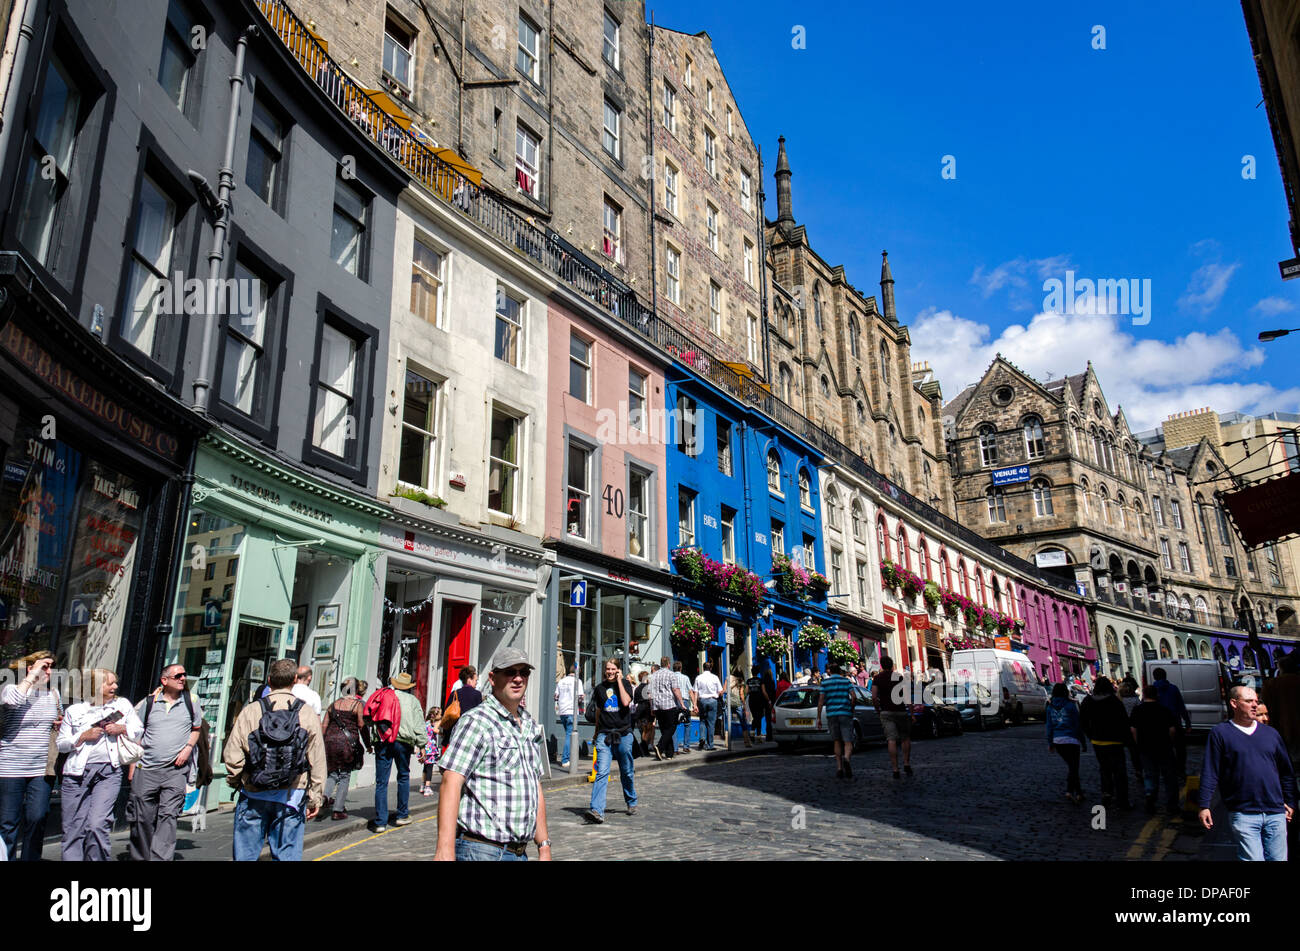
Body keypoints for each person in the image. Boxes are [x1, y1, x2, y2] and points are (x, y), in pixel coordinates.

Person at [434, 648, 551, 861]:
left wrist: (543, 846)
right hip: (483, 850)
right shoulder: (477, 721)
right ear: (492, 678)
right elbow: (451, 782)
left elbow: (535, 787)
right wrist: (444, 850)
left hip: (519, 853)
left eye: (523, 672)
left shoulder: (529, 725)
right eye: (509, 672)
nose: (517, 679)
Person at [223, 659, 326, 861]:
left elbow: (233, 755)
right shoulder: (306, 713)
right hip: (292, 794)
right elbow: (317, 758)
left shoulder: (251, 710)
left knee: (245, 855)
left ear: (269, 680)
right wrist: (315, 796)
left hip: (254, 792)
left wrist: (236, 781)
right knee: (287, 854)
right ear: (295, 680)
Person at [1198, 685, 1296, 861]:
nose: (1254, 705)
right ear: (1234, 703)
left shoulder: (1271, 734)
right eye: (1249, 701)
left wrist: (1290, 801)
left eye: (1256, 701)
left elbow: (1286, 772)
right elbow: (1210, 771)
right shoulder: (1220, 733)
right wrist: (1204, 805)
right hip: (1243, 812)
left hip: (1275, 811)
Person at [57, 668, 142, 861]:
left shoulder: (122, 705)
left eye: (115, 682)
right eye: (110, 683)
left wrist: (122, 728)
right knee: (73, 827)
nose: (115, 686)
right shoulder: (75, 710)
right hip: (76, 774)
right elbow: (61, 745)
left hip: (108, 772)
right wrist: (82, 736)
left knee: (97, 824)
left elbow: (138, 731)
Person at [129, 663, 202, 861]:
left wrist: (187, 748)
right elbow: (136, 733)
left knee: (168, 816)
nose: (182, 678)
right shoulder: (149, 702)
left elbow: (196, 729)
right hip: (146, 768)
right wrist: (132, 766)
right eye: (178, 675)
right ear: (164, 680)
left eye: (184, 675)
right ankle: (141, 857)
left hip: (175, 770)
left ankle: (160, 858)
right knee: (141, 818)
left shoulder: (191, 700)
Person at [0, 652, 62, 861]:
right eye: (45, 666)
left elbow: (58, 722)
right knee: (8, 822)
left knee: (38, 817)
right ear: (30, 667)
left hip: (41, 768)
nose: (49, 671)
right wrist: (32, 675)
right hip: (10, 766)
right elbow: (12, 701)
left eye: (51, 667)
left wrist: (59, 725)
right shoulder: (11, 688)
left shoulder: (53, 694)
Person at [364, 672, 424, 833]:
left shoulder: (384, 695)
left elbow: (371, 716)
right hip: (403, 742)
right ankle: (402, 815)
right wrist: (422, 744)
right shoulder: (412, 701)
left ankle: (380, 822)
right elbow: (419, 725)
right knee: (403, 776)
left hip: (383, 740)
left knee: (381, 782)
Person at [584, 658, 638, 823]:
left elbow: (625, 702)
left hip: (624, 734)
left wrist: (621, 681)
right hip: (605, 734)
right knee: (602, 772)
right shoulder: (600, 688)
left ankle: (631, 801)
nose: (610, 671)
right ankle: (597, 810)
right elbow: (599, 712)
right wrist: (595, 733)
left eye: (613, 669)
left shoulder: (626, 684)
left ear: (618, 670)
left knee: (627, 771)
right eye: (608, 668)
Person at [1080, 676, 1131, 809]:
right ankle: (1122, 801)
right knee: (1119, 771)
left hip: (1098, 741)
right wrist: (1127, 740)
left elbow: (1083, 722)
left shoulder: (1088, 701)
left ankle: (1107, 793)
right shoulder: (1114, 701)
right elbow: (1124, 722)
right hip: (1115, 741)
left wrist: (1090, 735)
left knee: (1105, 769)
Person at [1130, 684, 1181, 815]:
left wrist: (1138, 743)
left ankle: (1150, 800)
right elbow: (1172, 730)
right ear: (1156, 695)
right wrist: (1170, 742)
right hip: (1164, 746)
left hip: (1145, 747)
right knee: (1169, 777)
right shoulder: (1164, 710)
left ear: (1145, 695)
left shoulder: (1137, 710)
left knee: (1149, 775)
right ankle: (1172, 805)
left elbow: (1133, 729)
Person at [321, 677, 367, 820]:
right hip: (347, 743)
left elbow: (324, 725)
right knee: (345, 775)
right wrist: (368, 743)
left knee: (332, 774)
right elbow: (361, 725)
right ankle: (338, 809)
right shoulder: (357, 705)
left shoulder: (333, 704)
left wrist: (322, 743)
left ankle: (324, 798)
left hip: (330, 741)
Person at [1046, 682, 1086, 804]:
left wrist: (1050, 743)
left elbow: (1049, 726)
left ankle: (1077, 793)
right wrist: (1083, 741)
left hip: (1058, 740)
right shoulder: (1070, 705)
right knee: (1074, 767)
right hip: (1071, 739)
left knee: (1072, 767)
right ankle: (1071, 791)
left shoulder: (1049, 707)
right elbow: (1077, 725)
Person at [872, 656, 912, 779]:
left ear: (882, 666)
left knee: (891, 739)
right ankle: (906, 763)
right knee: (905, 738)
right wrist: (912, 712)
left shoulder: (877, 678)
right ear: (892, 665)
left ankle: (895, 769)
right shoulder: (899, 677)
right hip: (900, 710)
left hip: (886, 712)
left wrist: (878, 710)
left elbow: (874, 697)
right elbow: (906, 696)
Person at [817, 662, 856, 779]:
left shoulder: (825, 683)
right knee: (848, 741)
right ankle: (847, 758)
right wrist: (851, 708)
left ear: (830, 671)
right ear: (839, 671)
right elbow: (854, 696)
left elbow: (820, 700)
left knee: (837, 741)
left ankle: (839, 768)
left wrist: (819, 717)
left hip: (832, 714)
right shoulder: (846, 681)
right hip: (845, 713)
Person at [1152, 667, 1192, 778]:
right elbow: (1181, 706)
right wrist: (1187, 723)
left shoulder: (1152, 690)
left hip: (1159, 724)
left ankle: (1167, 770)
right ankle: (1180, 770)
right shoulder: (1173, 689)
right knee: (1180, 748)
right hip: (1175, 721)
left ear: (1154, 677)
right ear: (1165, 676)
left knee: (1164, 748)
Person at [650, 657, 685, 760]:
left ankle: (669, 754)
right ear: (669, 664)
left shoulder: (653, 676)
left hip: (657, 706)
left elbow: (650, 693)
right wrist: (682, 703)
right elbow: (675, 689)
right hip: (669, 705)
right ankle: (660, 747)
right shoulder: (671, 674)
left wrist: (652, 707)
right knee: (671, 728)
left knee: (665, 729)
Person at [553, 664, 584, 767]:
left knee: (568, 733)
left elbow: (556, 697)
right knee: (569, 735)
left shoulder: (561, 681)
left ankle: (568, 758)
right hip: (572, 711)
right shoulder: (577, 681)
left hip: (562, 711)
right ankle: (565, 759)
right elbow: (580, 698)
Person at [1118, 676, 1144, 786]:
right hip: (1135, 726)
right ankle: (1138, 769)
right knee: (1135, 750)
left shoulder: (1119, 701)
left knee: (1123, 752)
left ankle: (1121, 771)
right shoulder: (1135, 700)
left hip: (1122, 728)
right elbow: (1141, 712)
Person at [693, 662, 723, 751]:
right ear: (710, 668)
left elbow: (695, 692)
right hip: (713, 700)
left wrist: (695, 704)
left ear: (703, 668)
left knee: (702, 720)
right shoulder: (715, 677)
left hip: (702, 701)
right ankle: (710, 745)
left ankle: (702, 737)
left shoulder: (698, 678)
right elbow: (720, 691)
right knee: (711, 723)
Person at [672, 661, 696, 754]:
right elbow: (690, 691)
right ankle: (686, 747)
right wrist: (694, 704)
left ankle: (675, 749)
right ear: (681, 668)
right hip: (684, 702)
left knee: (674, 724)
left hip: (674, 702)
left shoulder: (671, 677)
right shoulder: (685, 678)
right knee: (687, 724)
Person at [419, 706, 443, 796]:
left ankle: (422, 785)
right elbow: (435, 730)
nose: (441, 716)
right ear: (435, 715)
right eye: (440, 714)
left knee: (425, 768)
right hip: (431, 749)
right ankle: (427, 788)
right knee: (430, 768)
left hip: (424, 747)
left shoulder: (427, 722)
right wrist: (442, 733)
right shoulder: (435, 723)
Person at [746, 668, 772, 744]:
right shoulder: (761, 681)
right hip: (760, 701)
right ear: (757, 673)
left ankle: (752, 734)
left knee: (755, 718)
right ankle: (758, 737)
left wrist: (751, 691)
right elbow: (764, 692)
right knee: (758, 718)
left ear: (752, 672)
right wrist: (768, 700)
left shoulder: (749, 681)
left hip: (751, 701)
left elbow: (747, 692)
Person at [633, 671, 655, 757]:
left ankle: (643, 749)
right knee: (647, 730)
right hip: (647, 710)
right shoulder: (648, 688)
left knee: (643, 730)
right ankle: (644, 749)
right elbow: (650, 699)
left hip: (639, 711)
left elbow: (635, 701)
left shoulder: (637, 688)